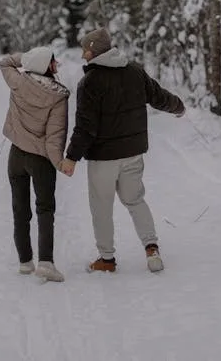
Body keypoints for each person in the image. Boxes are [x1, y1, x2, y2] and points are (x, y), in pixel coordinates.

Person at [60, 27, 184, 273]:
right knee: (135, 200)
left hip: (104, 158)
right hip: (133, 153)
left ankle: (106, 259)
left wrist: (71, 157)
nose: (83, 54)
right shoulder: (135, 71)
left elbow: (85, 126)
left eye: (85, 49)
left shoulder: (90, 82)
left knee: (101, 207)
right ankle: (151, 248)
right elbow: (158, 96)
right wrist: (178, 106)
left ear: (93, 50)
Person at [0, 46, 70, 282]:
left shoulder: (18, 82)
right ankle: (46, 263)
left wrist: (26, 60)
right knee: (45, 210)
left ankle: (25, 261)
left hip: (16, 156)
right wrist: (60, 163)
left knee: (20, 210)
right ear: (46, 66)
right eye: (52, 62)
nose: (56, 65)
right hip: (41, 161)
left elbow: (5, 62)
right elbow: (54, 137)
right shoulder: (58, 97)